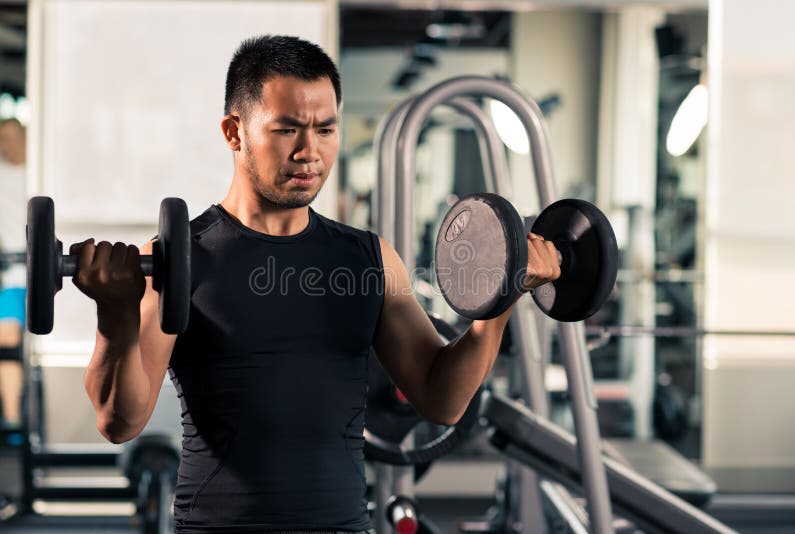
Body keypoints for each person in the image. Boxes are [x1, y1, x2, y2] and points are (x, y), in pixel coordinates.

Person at [72, 35, 560, 532]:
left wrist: (500, 301)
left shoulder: (370, 260)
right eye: (287, 130)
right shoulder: (179, 257)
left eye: (325, 129)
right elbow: (120, 421)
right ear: (233, 132)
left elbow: (442, 400)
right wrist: (115, 316)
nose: (310, 151)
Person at [0, 117, 27, 432]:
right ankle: (12, 419)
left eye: (9, 137)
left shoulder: (38, 172)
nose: (4, 145)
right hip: (10, 275)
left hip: (37, 273)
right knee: (7, 339)